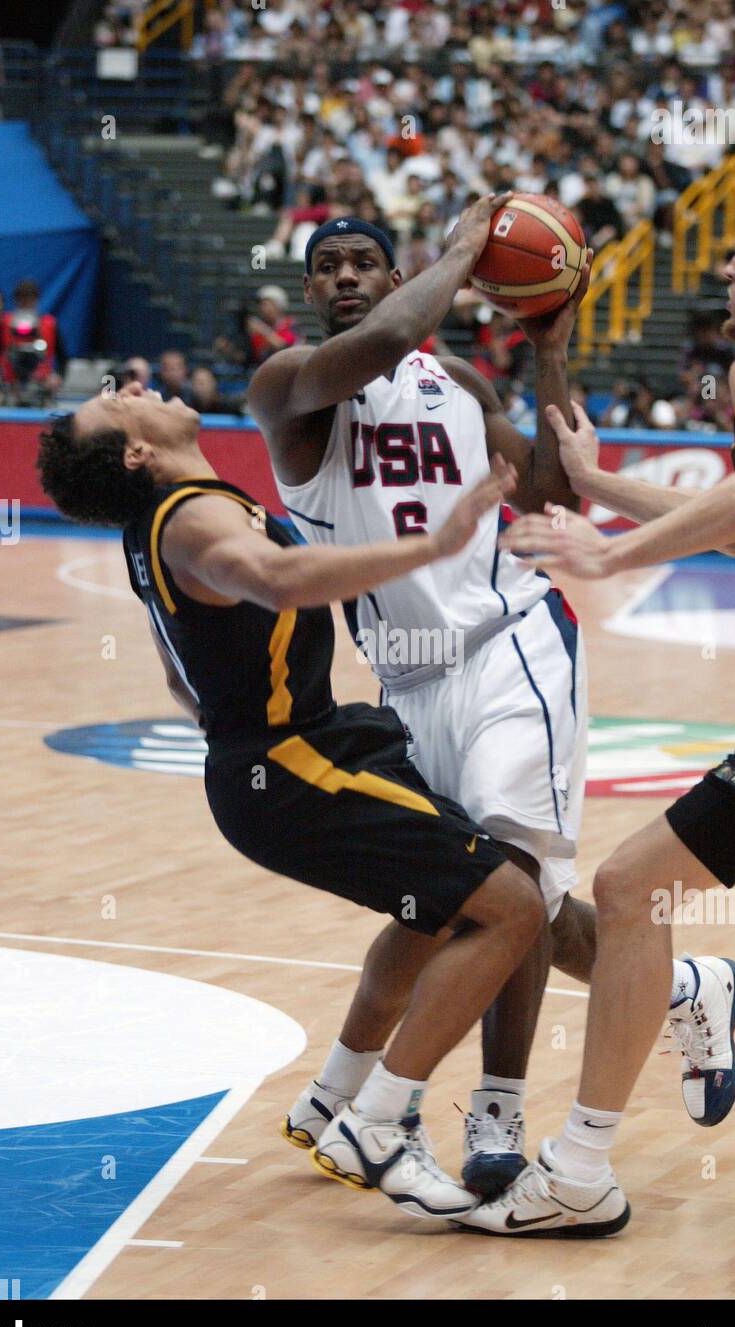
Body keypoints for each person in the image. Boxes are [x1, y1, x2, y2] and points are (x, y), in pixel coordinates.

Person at [250, 197, 711, 1199]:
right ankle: (682, 985)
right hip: (408, 680)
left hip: (510, 643)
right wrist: (461, 253)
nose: (343, 276)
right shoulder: (289, 388)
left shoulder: (453, 378)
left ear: (389, 270)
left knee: (508, 880)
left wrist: (547, 349)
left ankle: (482, 1107)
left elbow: (550, 501)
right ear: (307, 289)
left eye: (364, 262)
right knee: (477, 902)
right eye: (325, 265)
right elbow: (385, 335)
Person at [35, 380, 546, 1223]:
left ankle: (328, 1100)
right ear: (137, 452)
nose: (127, 385)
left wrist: (241, 741)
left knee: (431, 909)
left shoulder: (160, 524)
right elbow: (275, 576)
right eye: (116, 402)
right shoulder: (189, 518)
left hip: (289, 753)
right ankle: (377, 1125)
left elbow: (177, 675)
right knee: (511, 908)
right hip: (294, 763)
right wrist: (436, 542)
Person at [460, 197, 735, 1236]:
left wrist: (605, 552)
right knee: (628, 887)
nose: (729, 269)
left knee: (625, 886)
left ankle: (577, 1168)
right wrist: (600, 484)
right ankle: (577, 1166)